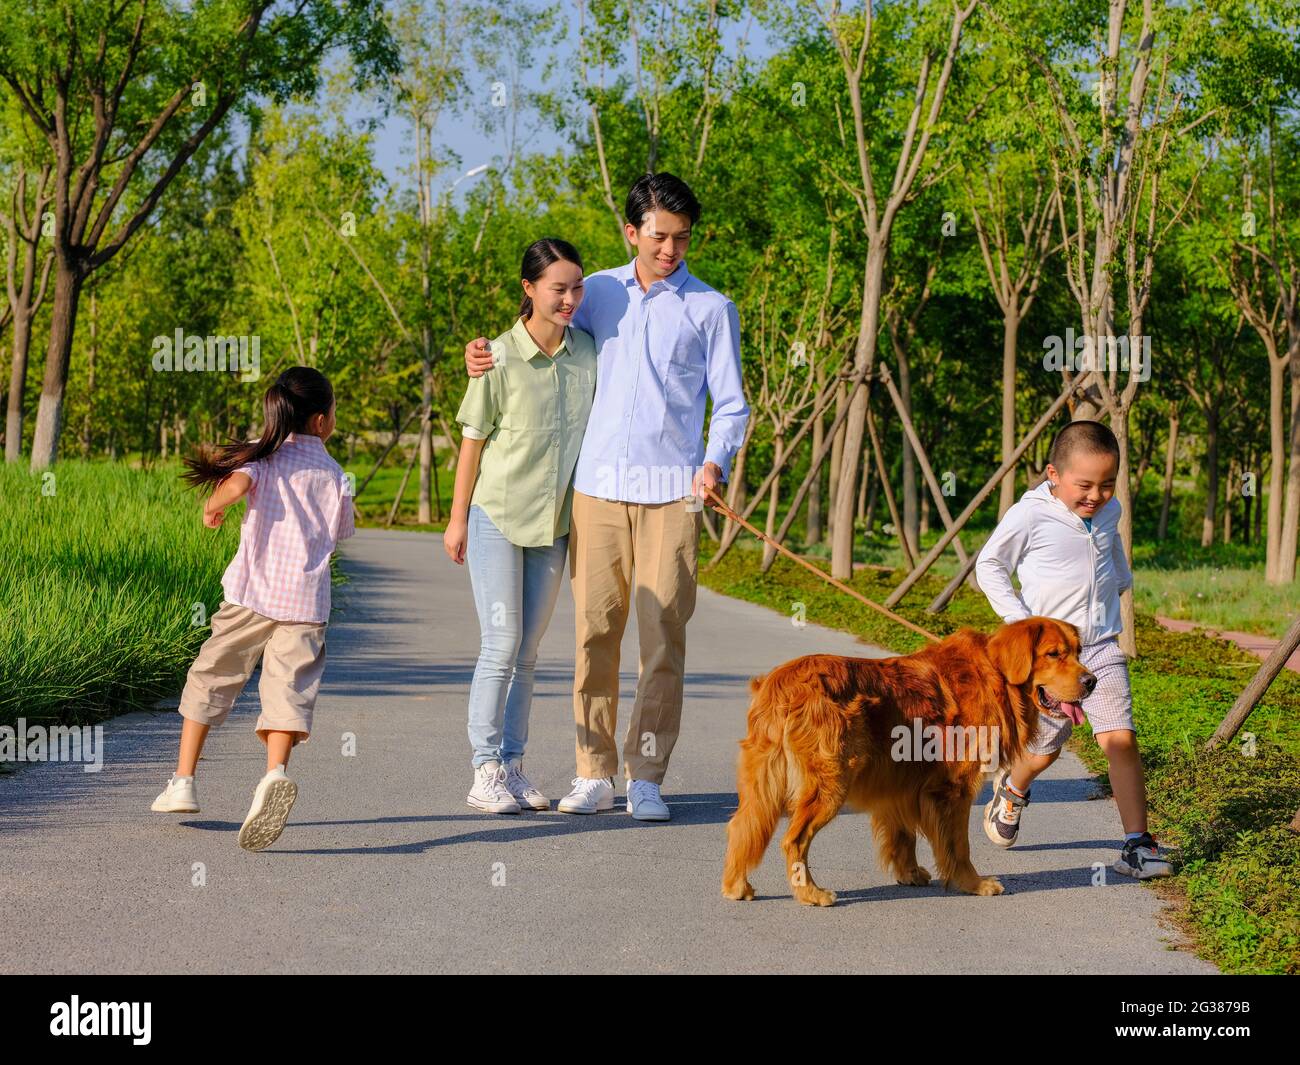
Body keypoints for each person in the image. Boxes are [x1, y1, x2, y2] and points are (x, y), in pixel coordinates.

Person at [465, 172, 749, 821]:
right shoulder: (597, 293)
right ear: (631, 232)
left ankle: (646, 776)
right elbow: (540, 327)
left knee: (662, 638)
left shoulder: (711, 308)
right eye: (659, 236)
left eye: (682, 238)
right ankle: (592, 772)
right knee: (595, 634)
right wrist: (482, 352)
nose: (670, 250)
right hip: (595, 493)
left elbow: (732, 403)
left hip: (674, 494)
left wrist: (714, 461)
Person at [151, 367, 355, 852]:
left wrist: (213, 506)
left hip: (251, 596)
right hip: (305, 604)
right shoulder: (335, 474)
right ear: (322, 421)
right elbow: (342, 531)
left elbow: (238, 485)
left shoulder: (262, 458)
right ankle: (274, 774)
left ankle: (183, 782)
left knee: (211, 676)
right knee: (288, 690)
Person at [974, 420, 1172, 878]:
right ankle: (1012, 790)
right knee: (1043, 750)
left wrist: (1121, 579)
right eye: (1084, 485)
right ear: (1054, 475)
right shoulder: (1030, 515)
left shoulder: (1110, 509)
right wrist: (1022, 624)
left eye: (1107, 484)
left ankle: (1137, 844)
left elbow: (1110, 546)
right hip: (1052, 660)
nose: (1096, 496)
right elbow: (990, 564)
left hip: (1099, 645)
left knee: (1119, 738)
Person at [446, 238, 597, 814]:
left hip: (553, 524)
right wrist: (457, 519)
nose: (569, 298)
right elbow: (472, 441)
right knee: (501, 644)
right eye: (558, 288)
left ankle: (511, 765)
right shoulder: (497, 357)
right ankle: (483, 768)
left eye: (576, 287)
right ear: (529, 289)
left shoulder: (587, 353)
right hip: (497, 517)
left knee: (529, 651)